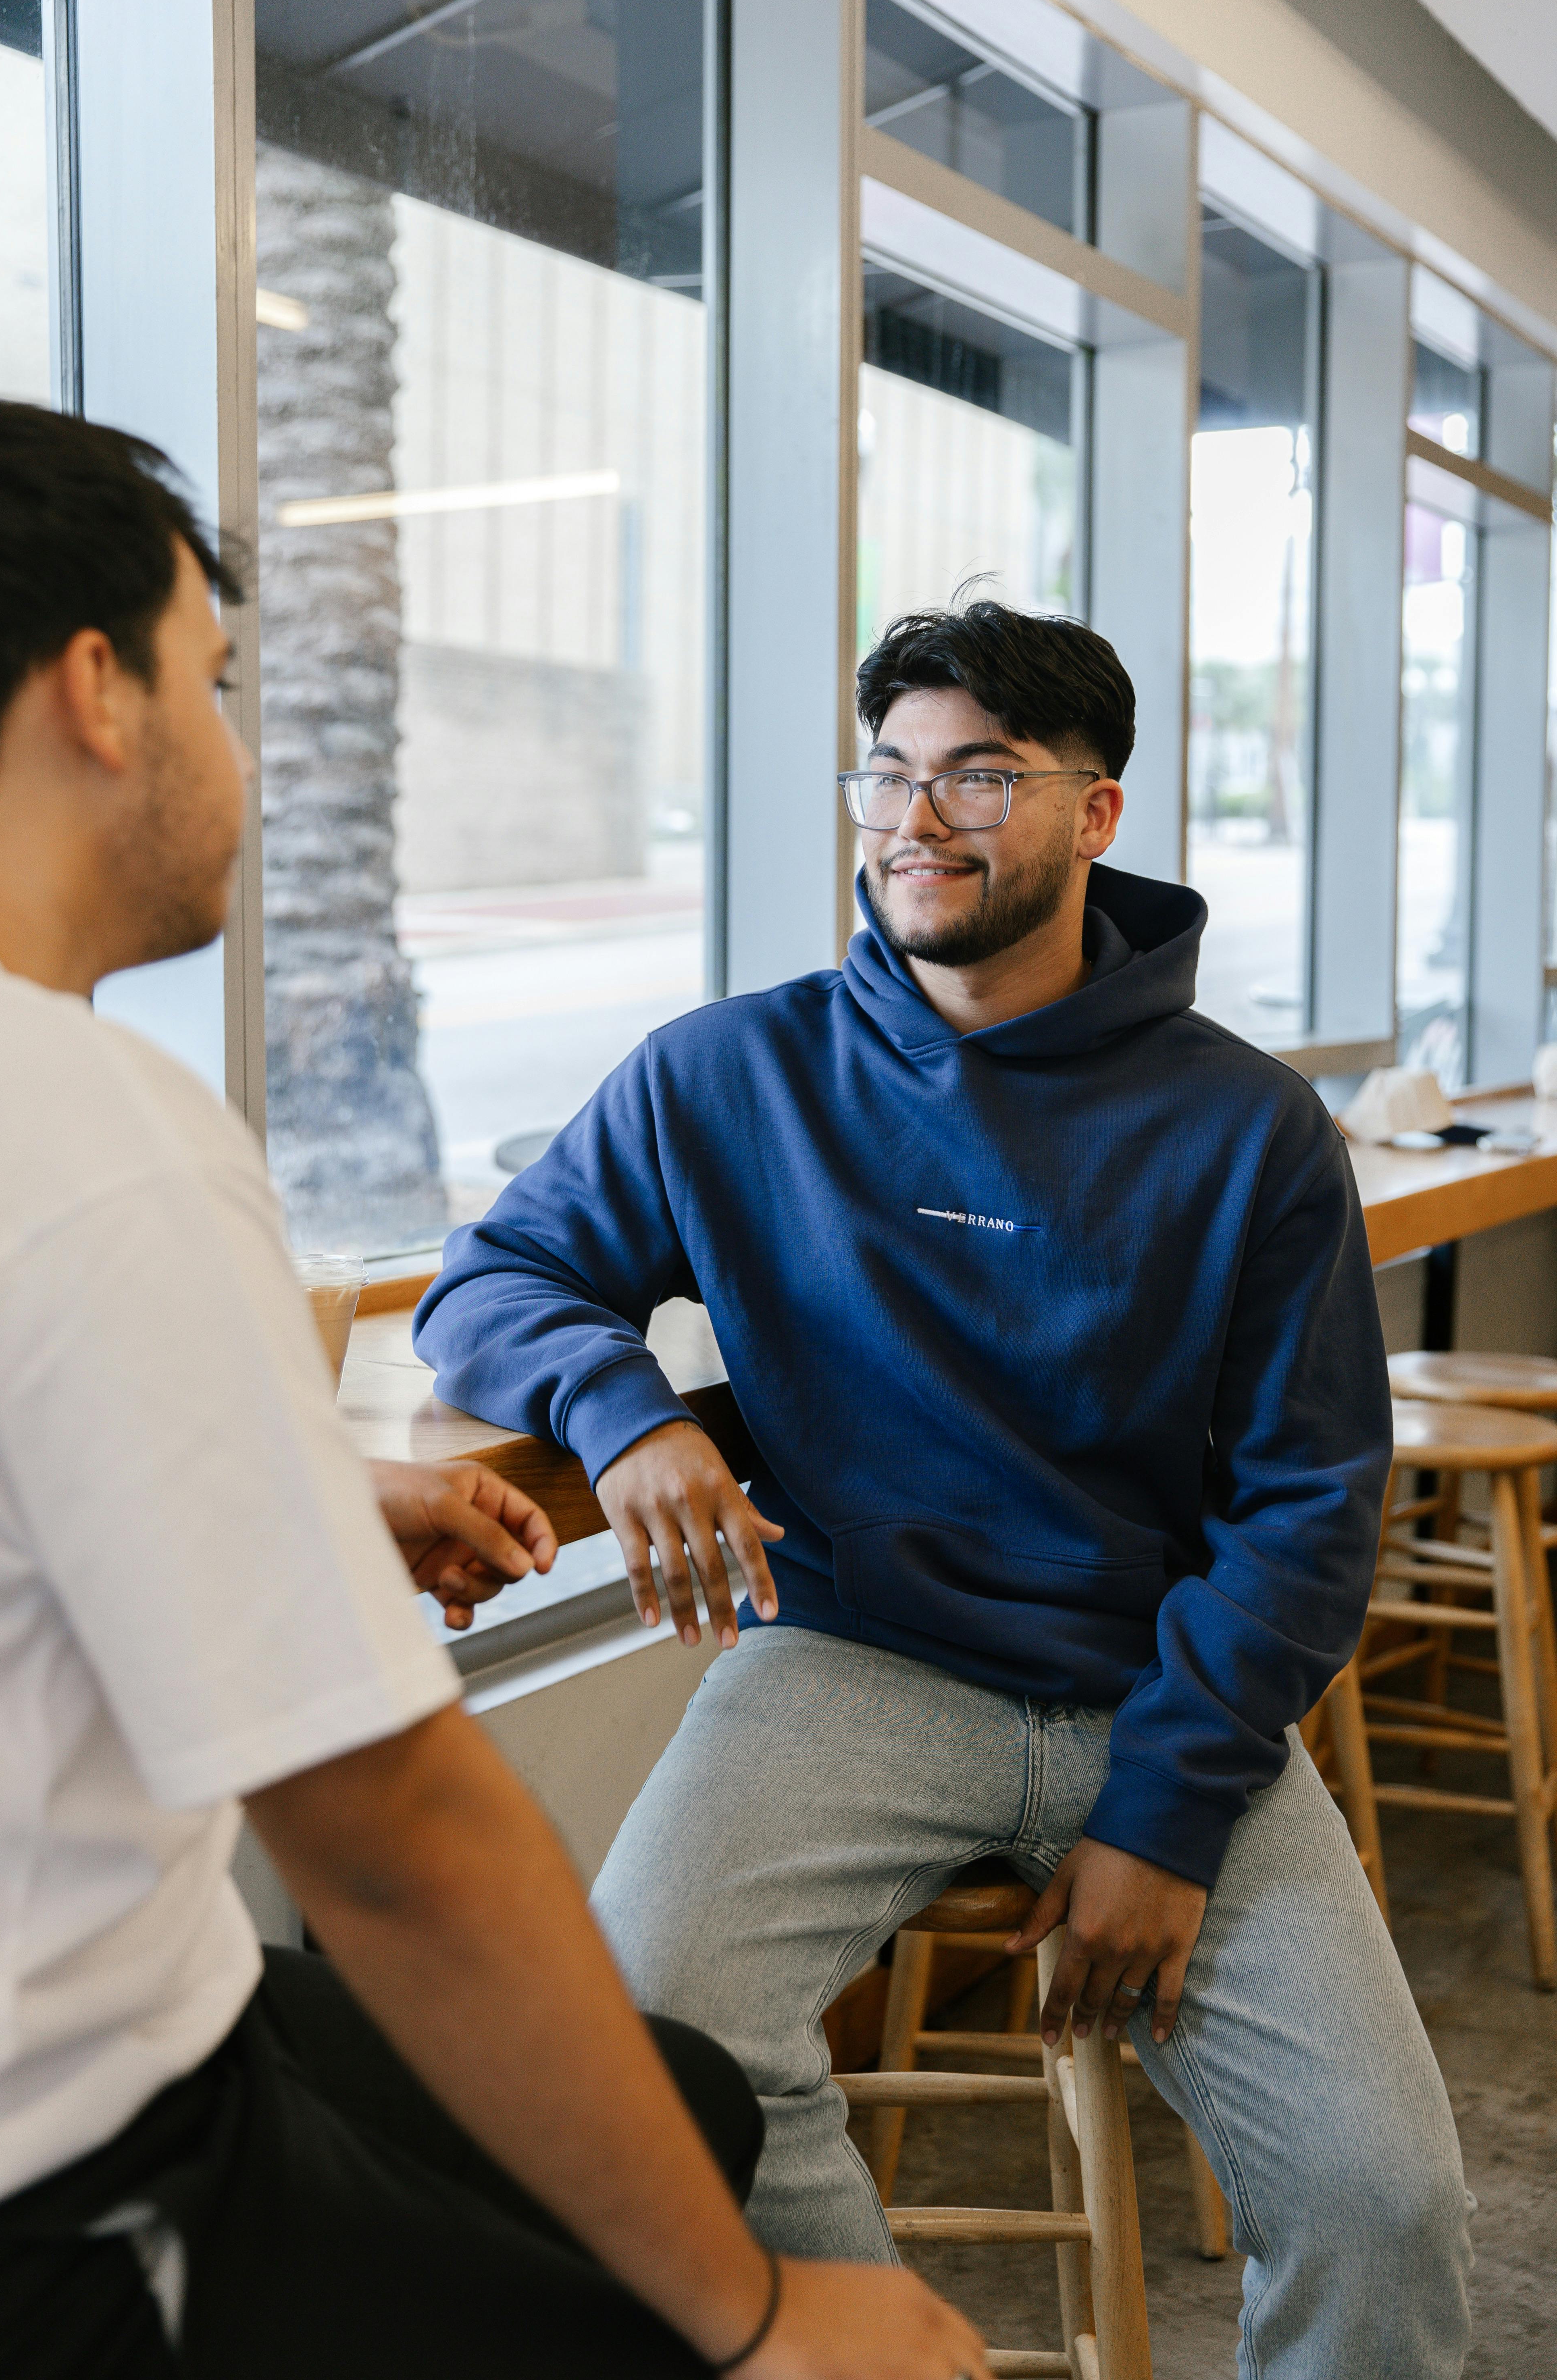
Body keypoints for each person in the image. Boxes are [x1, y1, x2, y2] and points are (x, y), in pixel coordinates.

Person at [0, 399, 988, 2380]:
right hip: (46, 2169)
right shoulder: (85, 1133)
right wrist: (757, 2311)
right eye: (218, 682)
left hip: (131, 2015)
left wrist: (303, 1499)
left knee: (673, 2092)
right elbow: (394, 1826)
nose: (239, 755)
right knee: (670, 2294)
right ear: (97, 691)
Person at [416, 599, 1476, 2378]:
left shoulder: (1250, 1130)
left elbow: (1307, 1505)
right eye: (890, 772)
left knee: (1391, 2200)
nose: (916, 817)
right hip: (859, 1660)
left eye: (981, 773)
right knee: (644, 2039)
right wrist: (626, 1414)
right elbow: (489, 1281)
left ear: (1097, 813)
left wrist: (1165, 1811)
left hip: (1168, 1683)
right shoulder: (732, 1073)